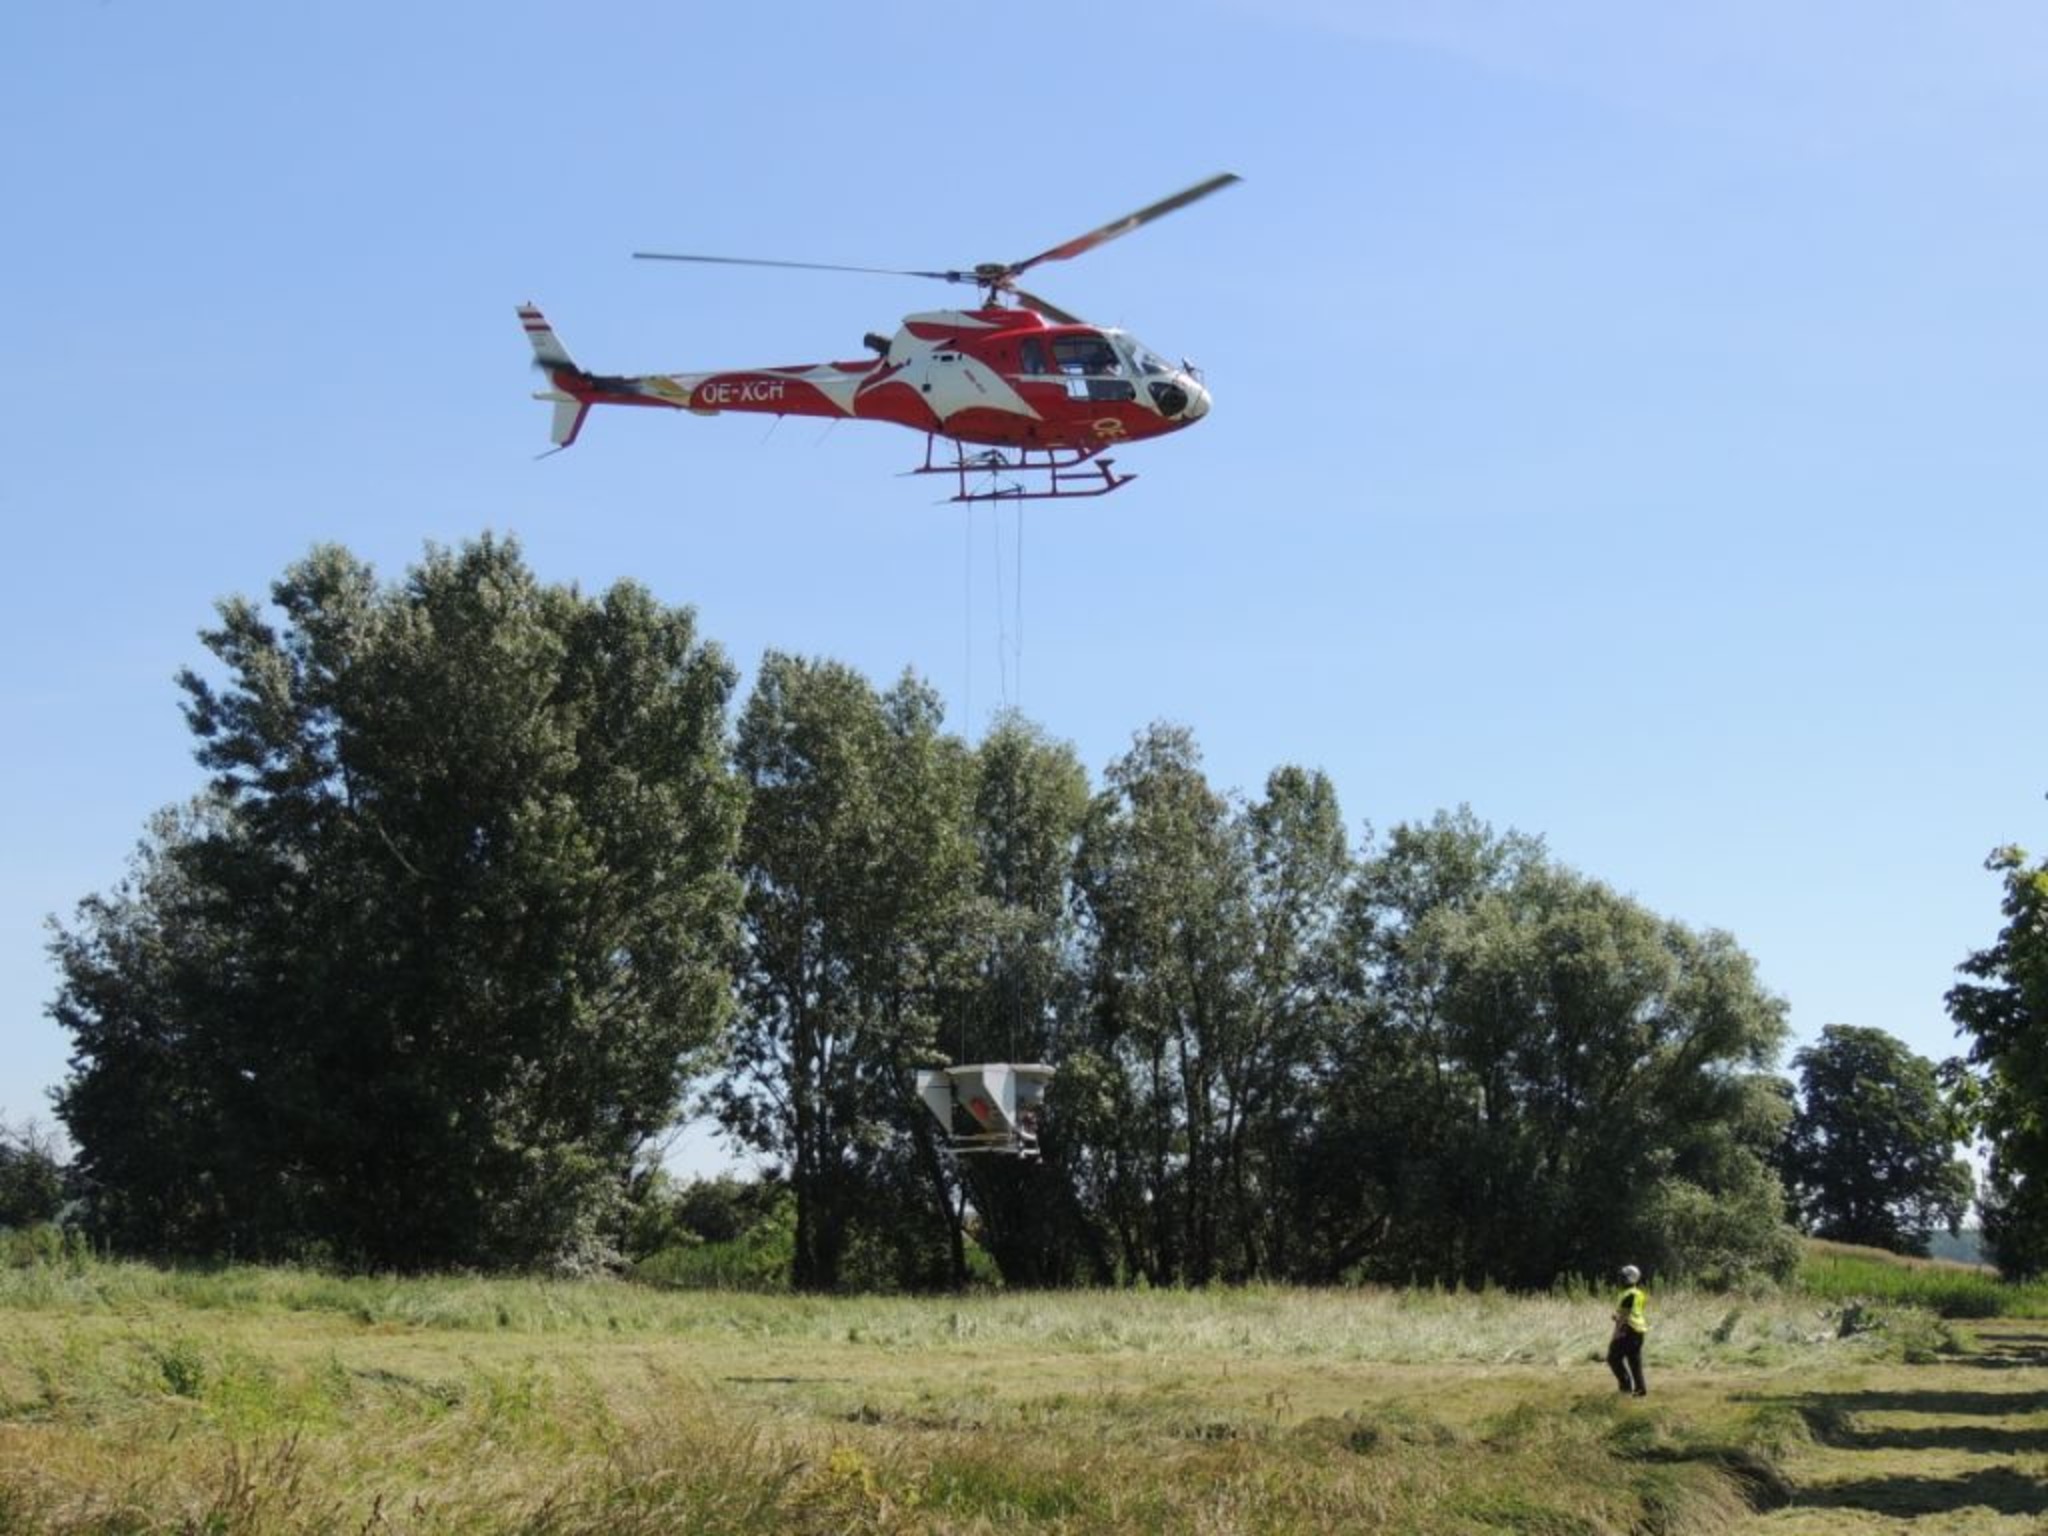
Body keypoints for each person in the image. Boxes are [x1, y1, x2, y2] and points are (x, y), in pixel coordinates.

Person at [1608, 1265, 1648, 1397]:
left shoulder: (1628, 1294)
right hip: (1639, 1331)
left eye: (1622, 1277)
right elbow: (1634, 1312)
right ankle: (1640, 1390)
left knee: (1613, 1358)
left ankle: (1625, 1388)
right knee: (1634, 1361)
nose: (1620, 1280)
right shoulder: (1639, 1293)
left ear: (1630, 1278)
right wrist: (1618, 1317)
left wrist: (1616, 1334)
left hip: (1627, 1330)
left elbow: (1625, 1315)